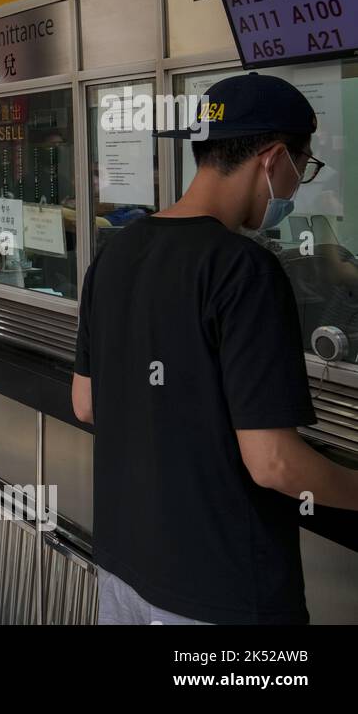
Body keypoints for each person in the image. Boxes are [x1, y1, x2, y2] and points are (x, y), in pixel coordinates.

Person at [73, 73, 358, 625]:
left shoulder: (116, 252)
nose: (299, 185)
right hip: (220, 594)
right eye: (305, 166)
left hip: (123, 572)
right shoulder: (244, 269)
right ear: (274, 159)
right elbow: (273, 462)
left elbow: (86, 403)